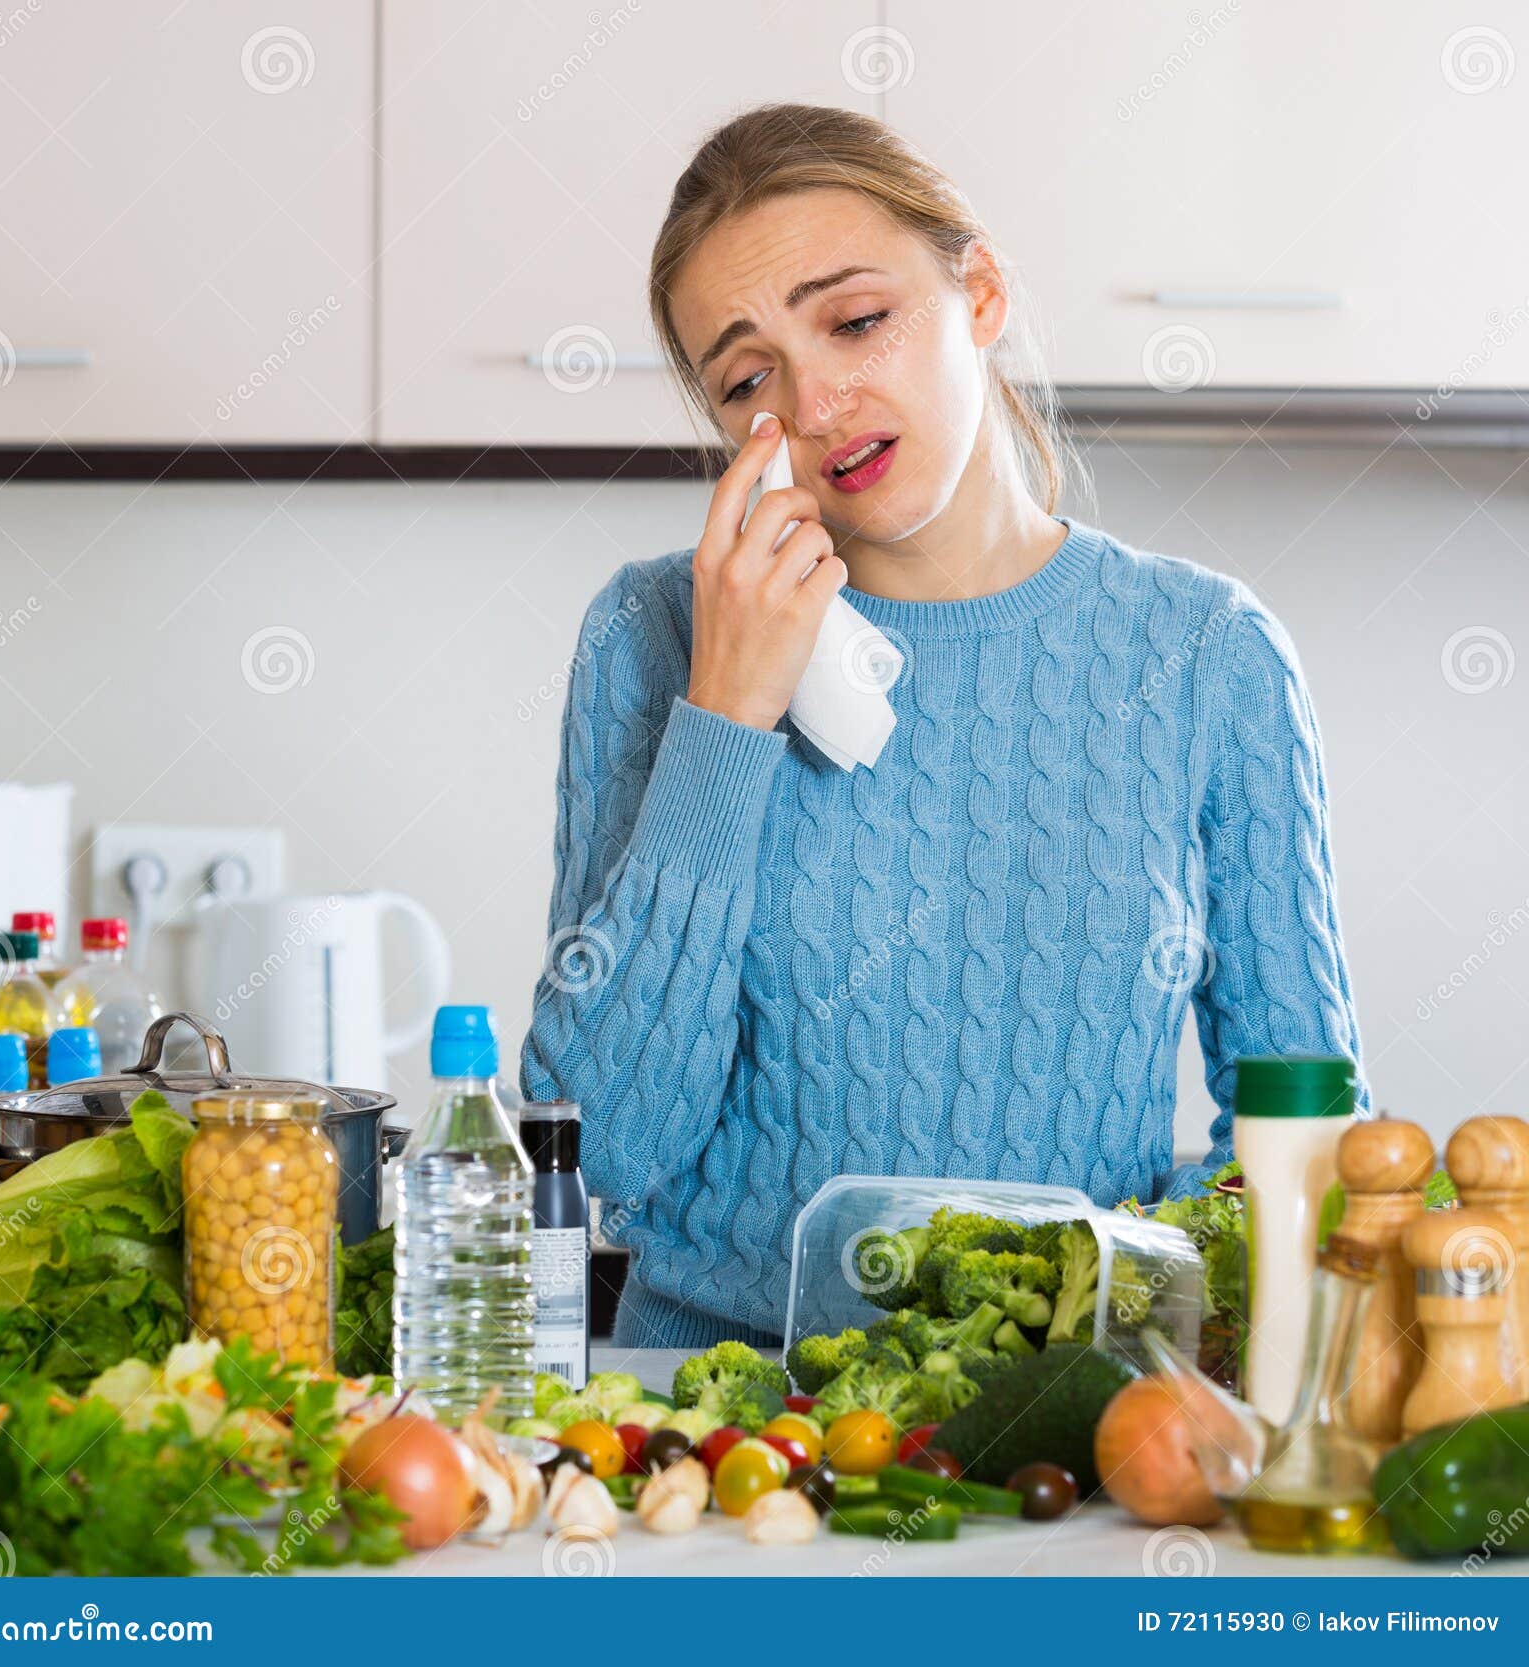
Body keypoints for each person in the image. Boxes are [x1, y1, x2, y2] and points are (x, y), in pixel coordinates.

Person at [521, 103, 1364, 1350]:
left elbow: (1308, 1144)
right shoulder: (655, 634)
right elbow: (600, 1145)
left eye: (856, 320)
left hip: (1071, 1430)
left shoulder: (1206, 657)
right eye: (749, 376)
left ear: (979, 295)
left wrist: (1120, 1293)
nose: (816, 399)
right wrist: (728, 713)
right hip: (713, 1436)